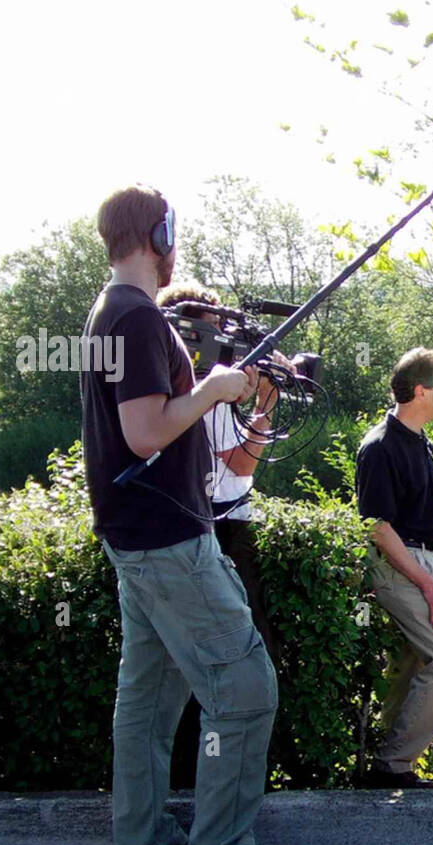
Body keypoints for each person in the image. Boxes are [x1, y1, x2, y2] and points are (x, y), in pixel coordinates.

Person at [80, 184, 294, 845]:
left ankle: (142, 839)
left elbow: (143, 421)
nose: (177, 250)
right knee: (245, 687)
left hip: (134, 534)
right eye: (174, 233)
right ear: (158, 234)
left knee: (150, 693)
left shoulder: (109, 312)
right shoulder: (137, 317)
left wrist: (206, 388)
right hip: (168, 537)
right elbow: (145, 431)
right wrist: (217, 388)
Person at [155, 283, 297, 789]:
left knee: (175, 669)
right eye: (216, 330)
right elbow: (237, 468)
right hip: (218, 528)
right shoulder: (204, 390)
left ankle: (189, 780)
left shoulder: (173, 385)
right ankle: (219, 782)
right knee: (241, 659)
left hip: (193, 527)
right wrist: (266, 405)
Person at [355, 348, 433, 789]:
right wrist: (427, 585)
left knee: (412, 663)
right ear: (420, 391)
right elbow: (379, 530)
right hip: (394, 564)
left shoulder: (426, 444)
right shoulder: (378, 446)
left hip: (424, 566)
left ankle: (385, 763)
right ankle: (393, 764)